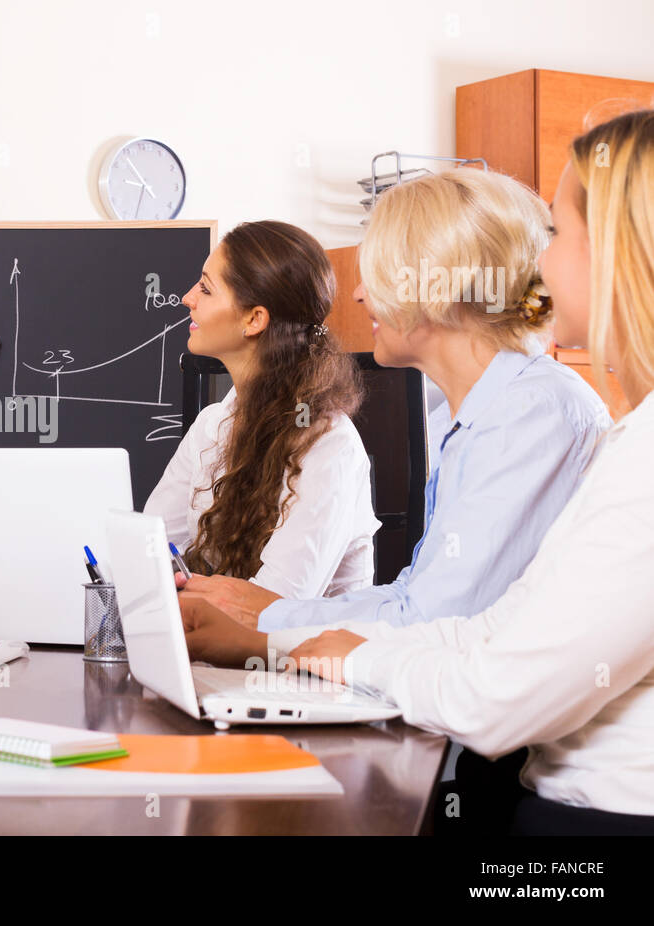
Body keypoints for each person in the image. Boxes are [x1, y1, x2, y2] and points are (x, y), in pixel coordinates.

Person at [181, 109, 654, 832]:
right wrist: (277, 634)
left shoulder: (555, 418)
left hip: (577, 818)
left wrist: (278, 634)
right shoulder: (538, 424)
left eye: (558, 233)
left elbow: (473, 659)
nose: (363, 296)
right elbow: (486, 624)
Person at [181, 168, 610, 631]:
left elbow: (433, 619)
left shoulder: (534, 411)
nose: (361, 295)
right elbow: (416, 599)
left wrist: (261, 616)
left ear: (440, 287)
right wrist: (257, 611)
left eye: (379, 274)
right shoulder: (464, 417)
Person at [144, 220, 378, 598]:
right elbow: (150, 550)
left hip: (292, 657)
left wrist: (183, 593)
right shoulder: (212, 425)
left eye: (205, 287)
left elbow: (276, 608)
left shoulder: (330, 444)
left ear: (254, 319)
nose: (188, 297)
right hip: (212, 651)